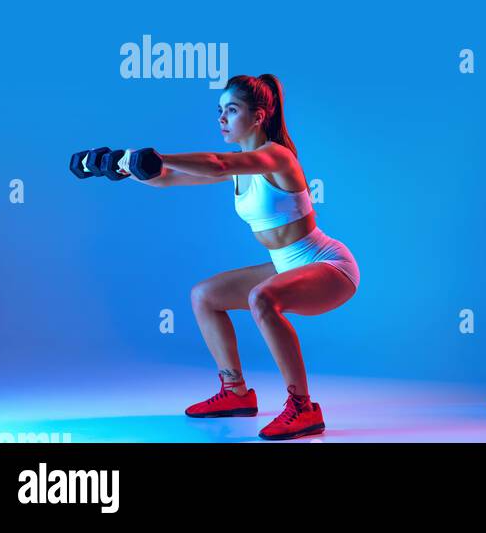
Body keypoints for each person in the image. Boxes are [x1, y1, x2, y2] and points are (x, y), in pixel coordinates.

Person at [122, 74, 360, 439]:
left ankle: (303, 408)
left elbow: (217, 163)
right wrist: (119, 165)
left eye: (231, 110)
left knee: (261, 298)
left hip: (329, 266)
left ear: (258, 116)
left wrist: (158, 156)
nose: (221, 118)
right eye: (219, 110)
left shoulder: (276, 156)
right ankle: (235, 392)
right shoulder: (239, 167)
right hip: (285, 264)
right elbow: (165, 179)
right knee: (204, 295)